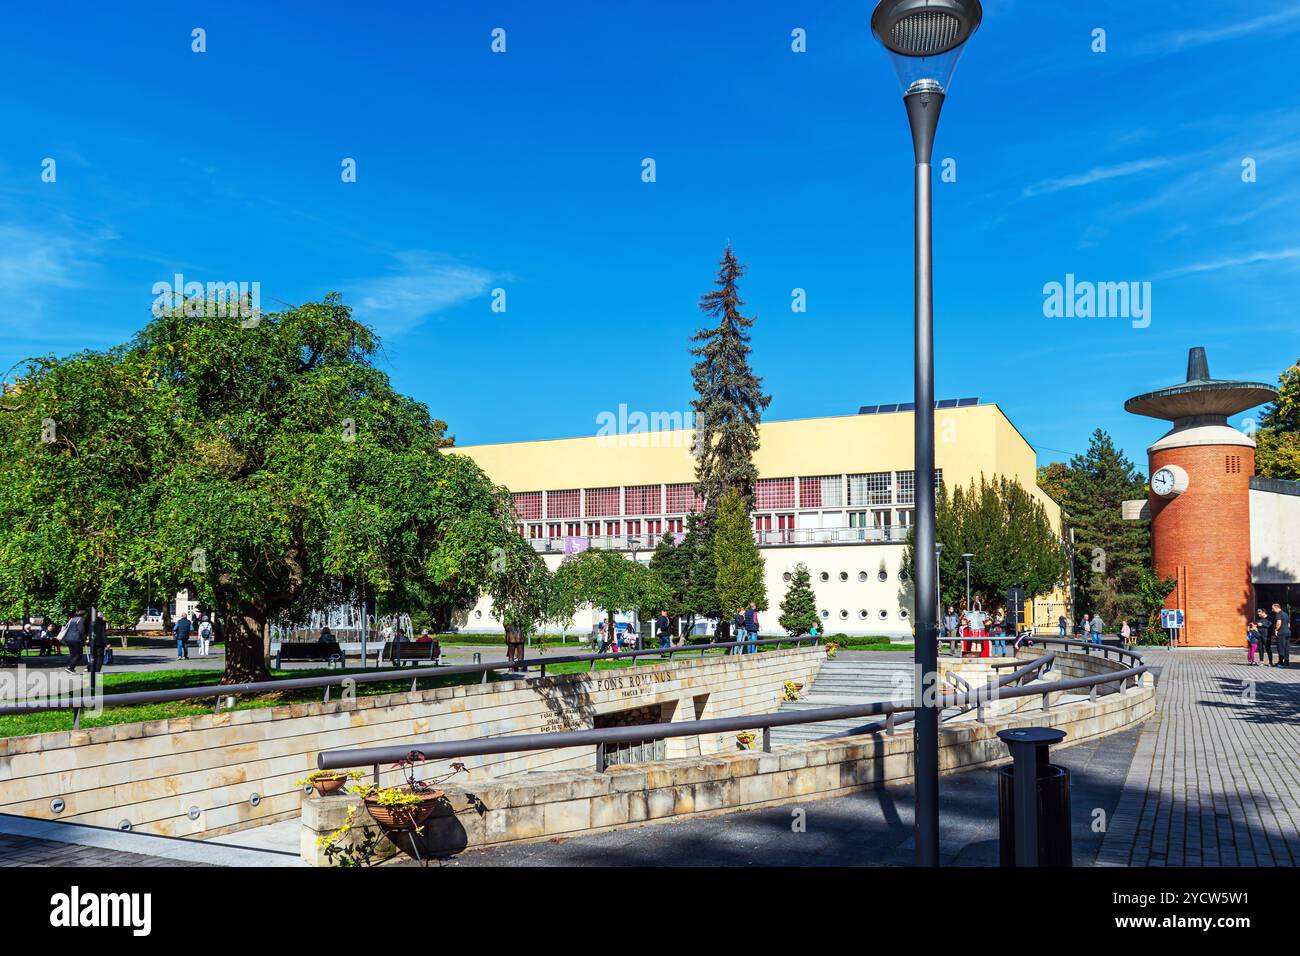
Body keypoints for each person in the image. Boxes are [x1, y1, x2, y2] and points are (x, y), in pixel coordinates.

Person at [61, 609, 87, 674]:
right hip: (76, 639)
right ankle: (70, 667)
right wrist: (85, 638)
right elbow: (81, 630)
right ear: (83, 615)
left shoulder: (71, 619)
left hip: (68, 639)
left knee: (73, 655)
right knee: (79, 655)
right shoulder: (81, 619)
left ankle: (71, 669)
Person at [1272, 603, 1291, 668]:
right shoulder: (1285, 614)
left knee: (1281, 647)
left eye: (1273, 608)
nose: (1272, 610)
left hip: (1282, 632)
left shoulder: (1278, 614)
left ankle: (1280, 662)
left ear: (1276, 608)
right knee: (1286, 647)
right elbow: (1288, 624)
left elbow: (1279, 623)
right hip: (1288, 632)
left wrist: (1276, 630)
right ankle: (1287, 662)